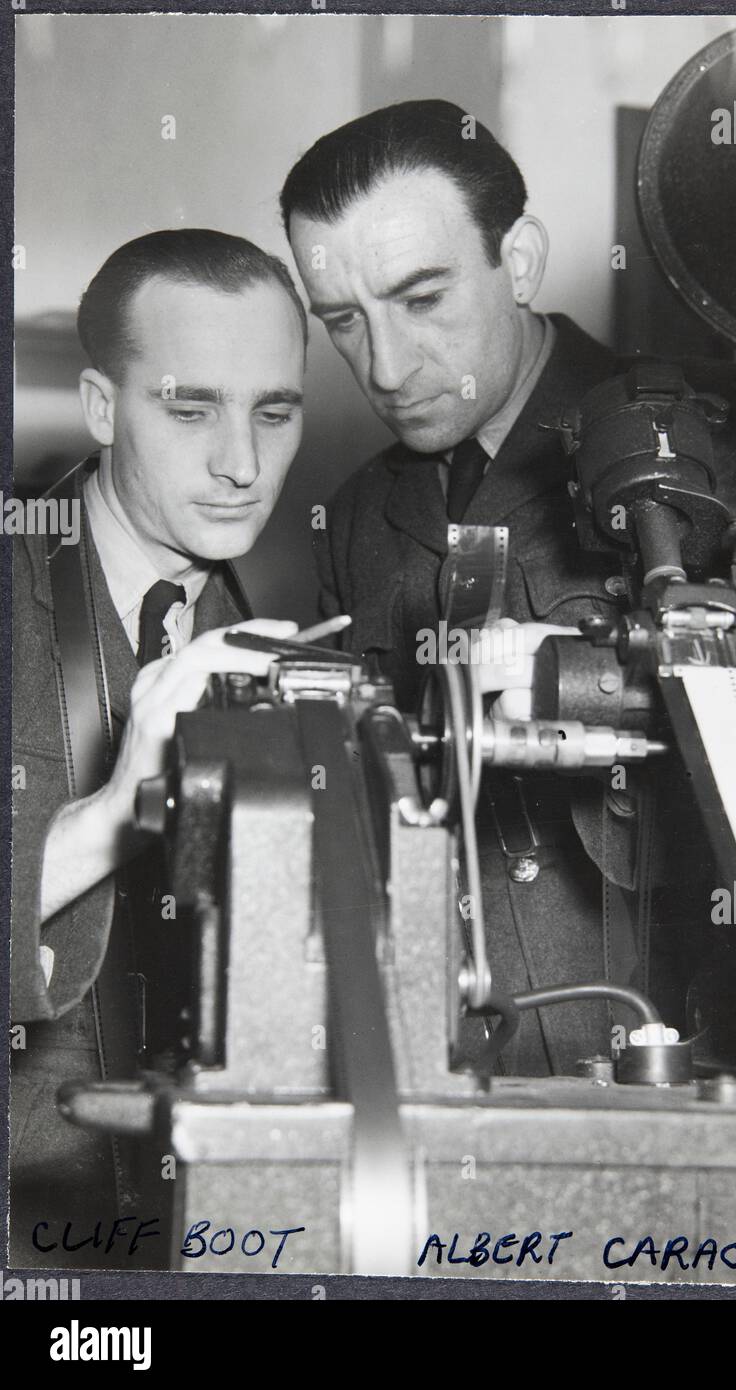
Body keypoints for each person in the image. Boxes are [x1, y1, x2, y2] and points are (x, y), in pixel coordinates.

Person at [280, 100, 736, 1077]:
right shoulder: (359, 516)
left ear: (517, 261)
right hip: (441, 1078)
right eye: (343, 321)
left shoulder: (704, 452)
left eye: (422, 298)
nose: (385, 367)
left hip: (673, 1084)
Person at [10, 228, 307, 1266]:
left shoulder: (288, 635)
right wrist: (110, 811)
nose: (241, 462)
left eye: (274, 412)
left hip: (207, 1230)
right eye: (189, 409)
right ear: (100, 408)